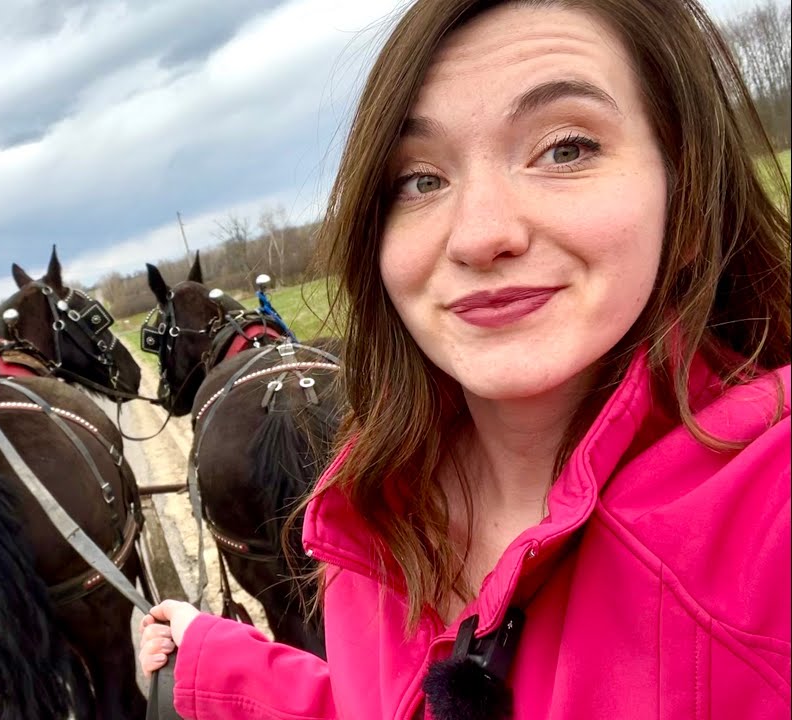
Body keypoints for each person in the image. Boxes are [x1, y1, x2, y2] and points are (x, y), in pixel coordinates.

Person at [138, 0, 791, 717]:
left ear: (689, 198)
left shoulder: (767, 508)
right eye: (419, 180)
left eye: (566, 147)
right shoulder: (377, 515)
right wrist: (215, 663)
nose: (479, 235)